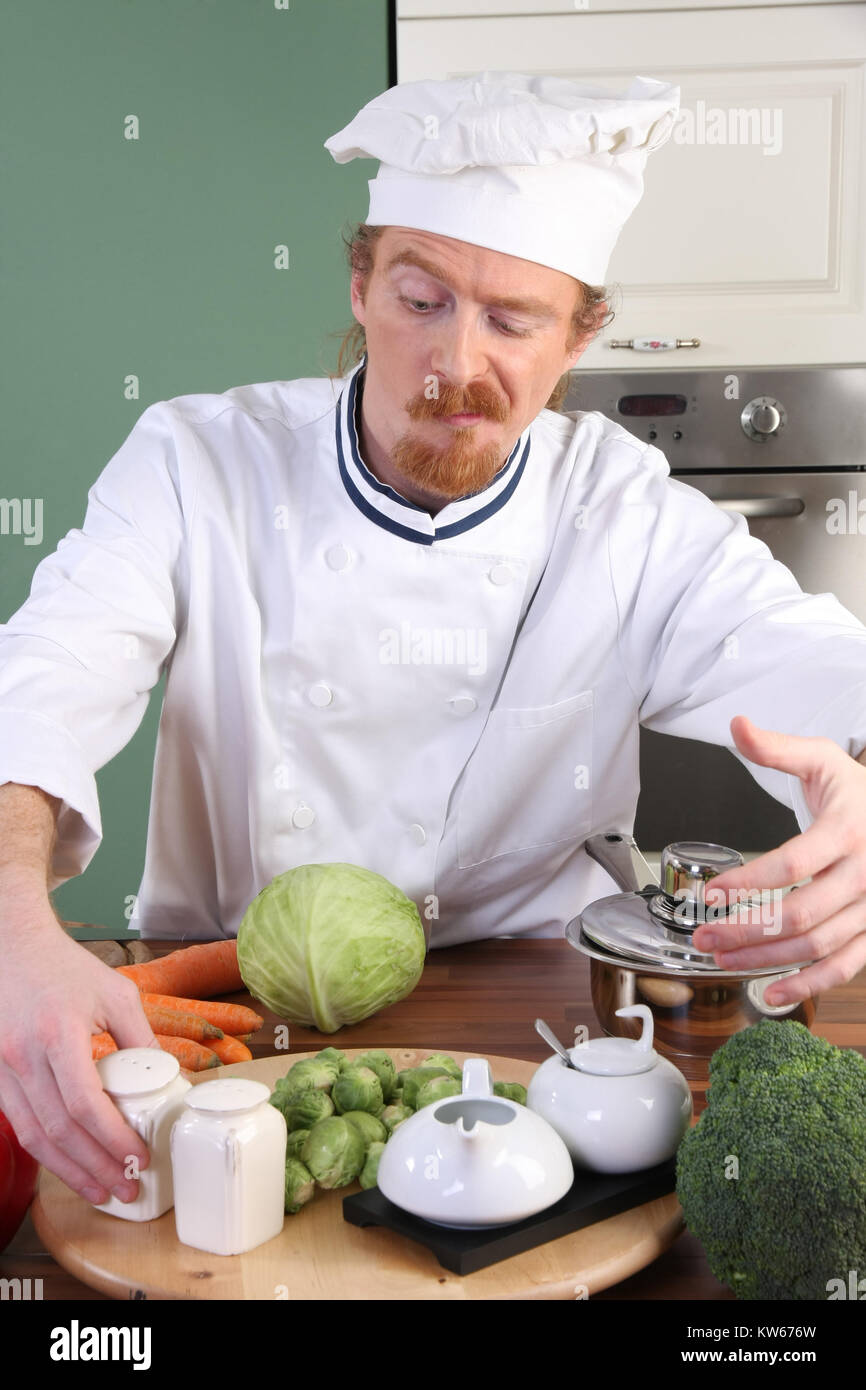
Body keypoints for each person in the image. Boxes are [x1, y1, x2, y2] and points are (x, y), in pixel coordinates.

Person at [2, 71, 866, 1207]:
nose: (456, 361)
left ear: (578, 338)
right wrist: (14, 922)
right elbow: (46, 672)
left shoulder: (623, 513)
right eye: (420, 299)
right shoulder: (196, 463)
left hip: (539, 1027)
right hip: (228, 1027)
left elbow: (814, 659)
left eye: (512, 320)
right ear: (359, 286)